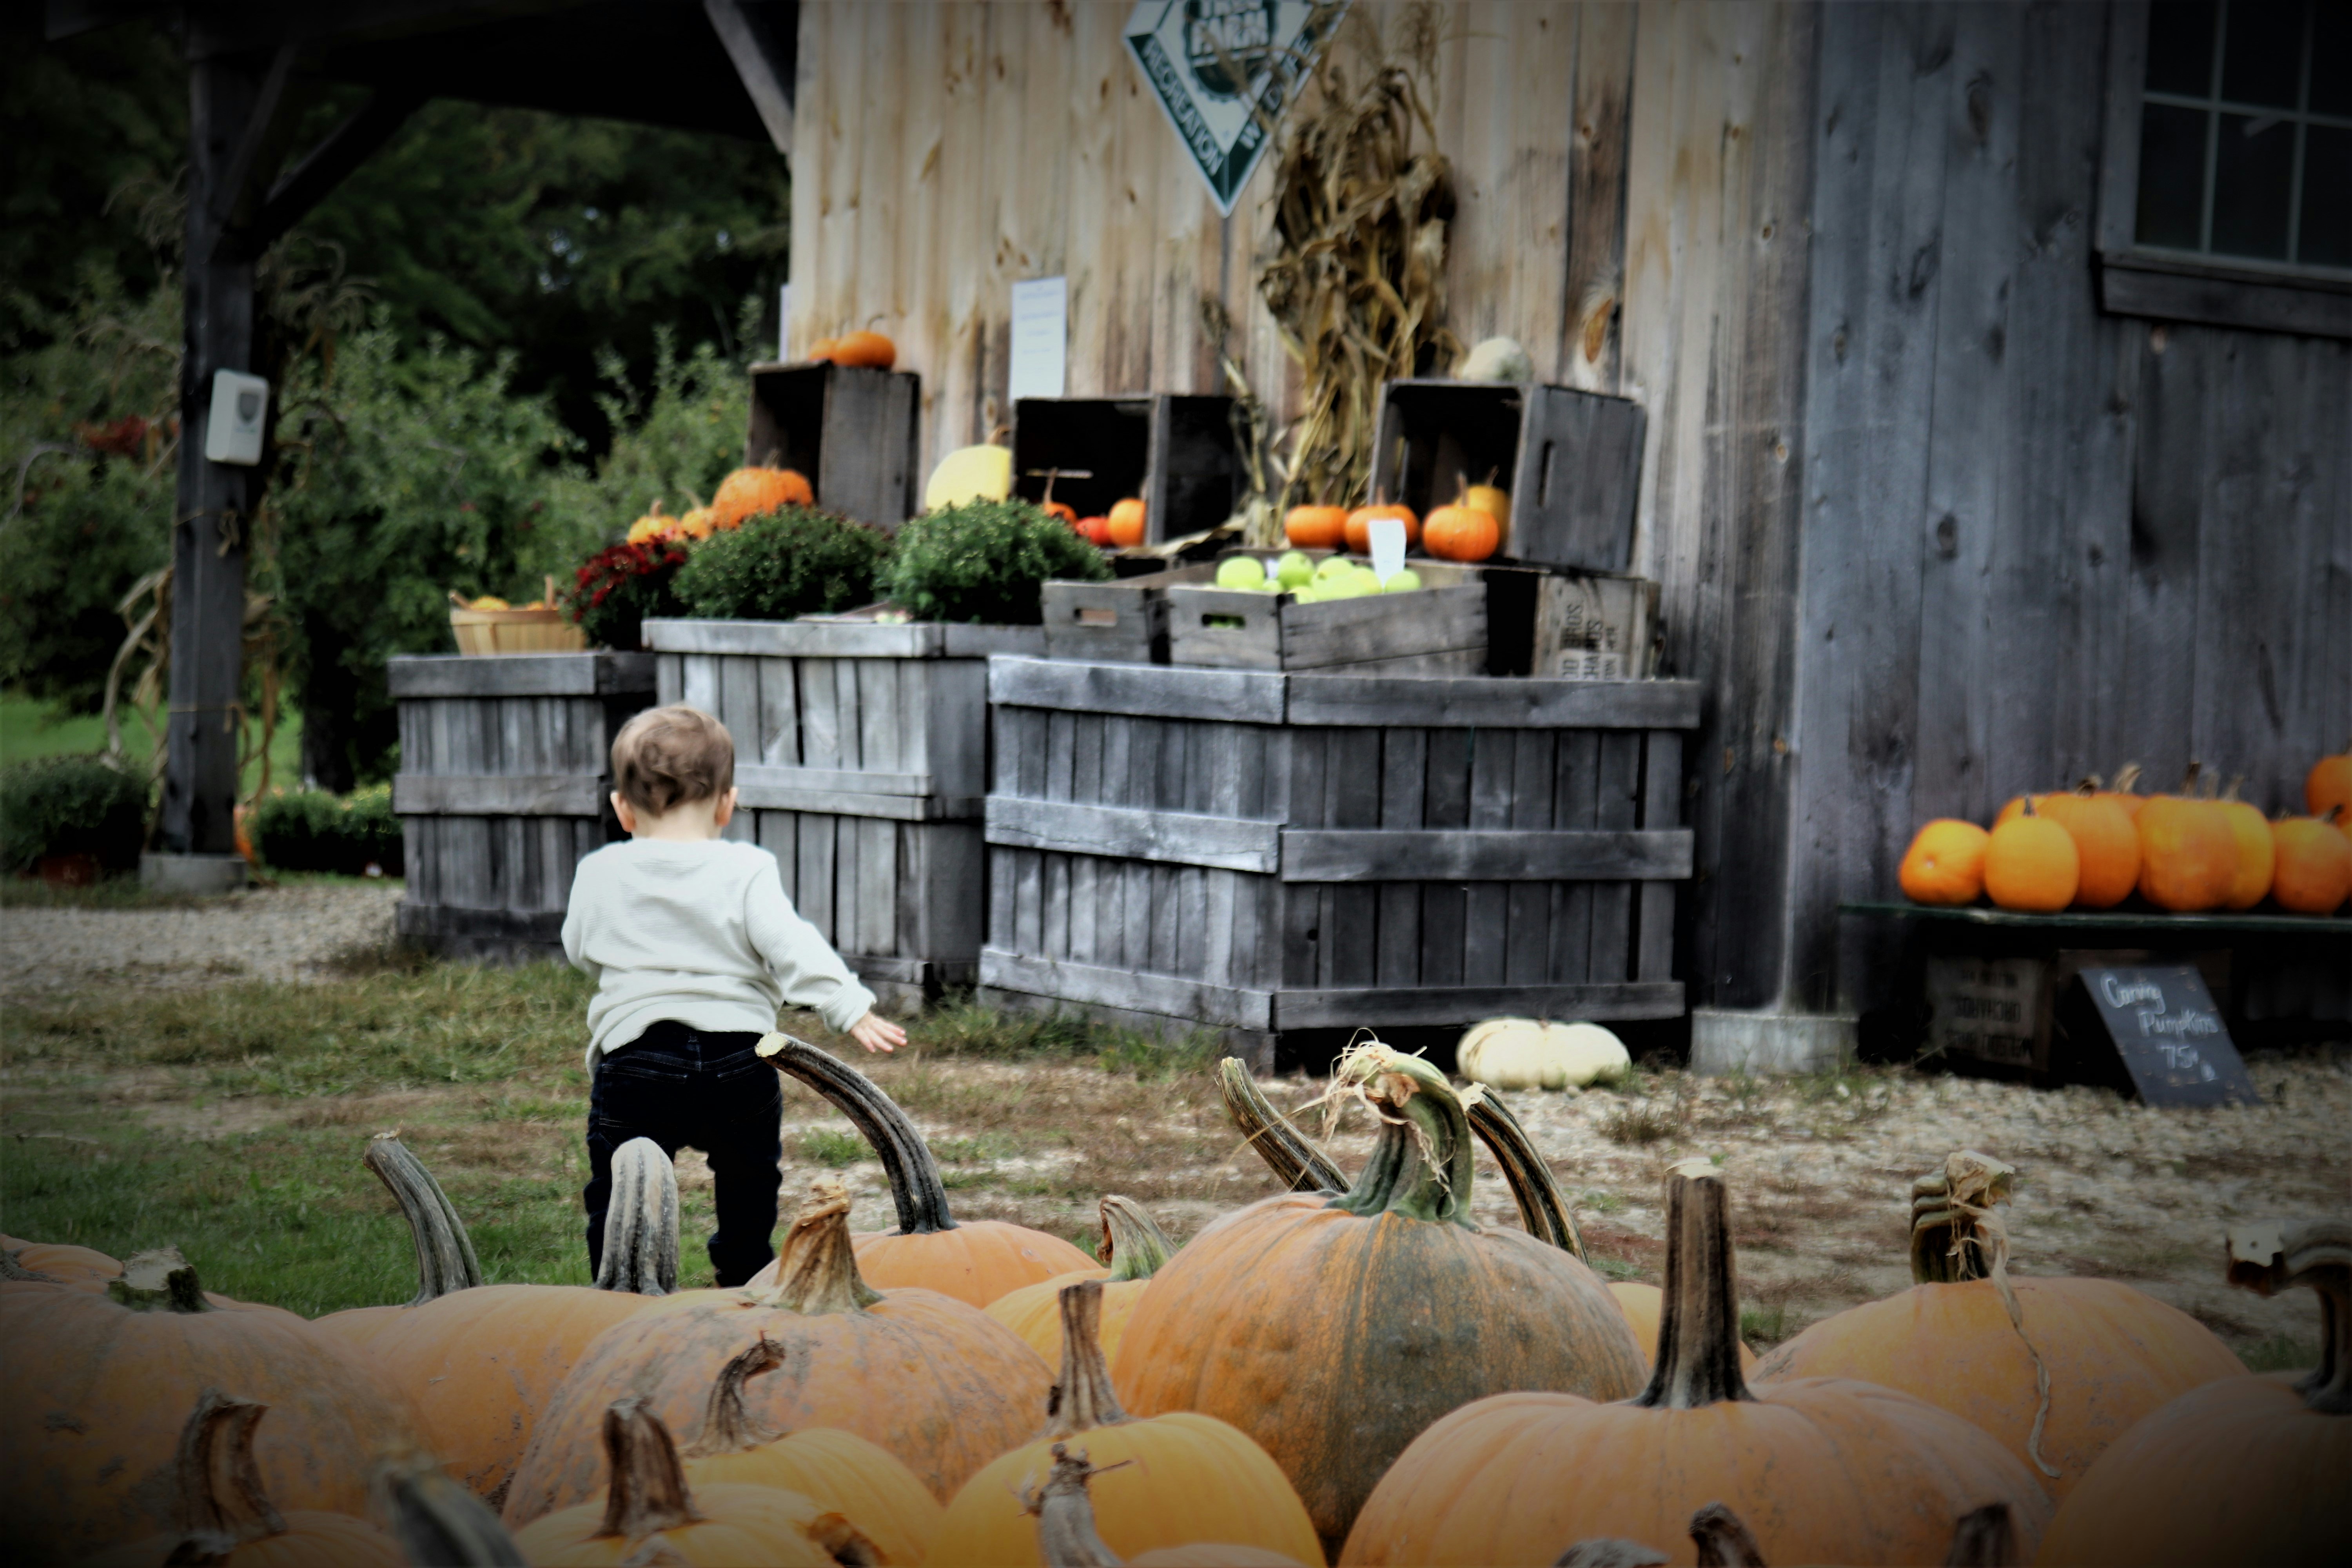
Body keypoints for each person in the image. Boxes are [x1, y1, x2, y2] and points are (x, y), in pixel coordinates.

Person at [562, 704, 907, 1286]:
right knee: (749, 1175)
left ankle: (618, 1287)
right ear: (727, 804)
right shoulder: (747, 869)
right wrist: (847, 1004)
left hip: (638, 1059)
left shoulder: (601, 871)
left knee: (621, 1183)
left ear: (622, 810)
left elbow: (581, 947)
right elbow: (790, 942)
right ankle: (745, 1272)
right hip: (740, 1059)